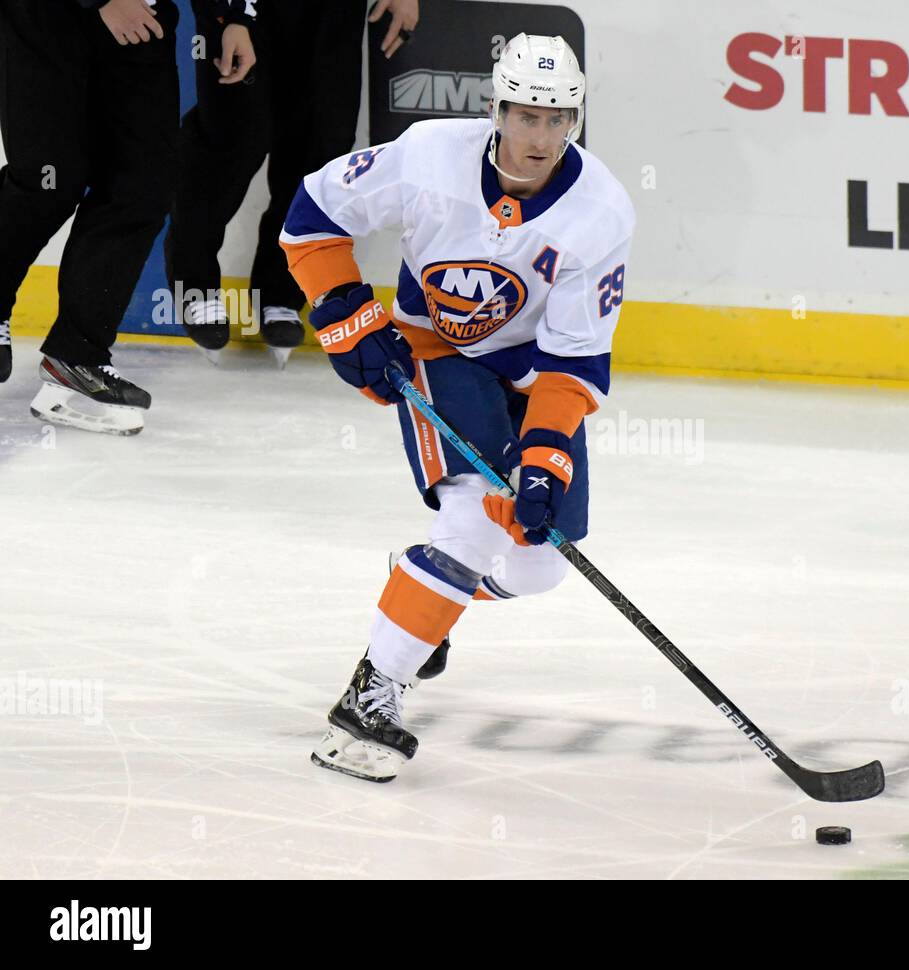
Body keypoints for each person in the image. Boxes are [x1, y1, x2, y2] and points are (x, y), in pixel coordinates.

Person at [280, 32, 634, 781]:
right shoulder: (429, 156)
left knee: (541, 566)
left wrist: (542, 460)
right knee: (473, 516)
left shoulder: (600, 212)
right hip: (438, 353)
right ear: (494, 109)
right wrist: (348, 314)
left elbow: (573, 363)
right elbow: (313, 212)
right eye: (525, 116)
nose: (539, 137)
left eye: (556, 118)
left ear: (576, 120)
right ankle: (370, 698)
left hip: (535, 374)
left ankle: (429, 583)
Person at [168, 0, 419, 367]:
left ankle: (281, 291)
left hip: (331, 14)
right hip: (243, 8)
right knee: (232, 139)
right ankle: (195, 283)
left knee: (320, 143)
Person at [0, 0, 214, 431]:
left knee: (143, 186)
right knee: (49, 180)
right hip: (49, 19)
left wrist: (233, 19)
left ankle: (76, 357)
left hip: (145, 23)